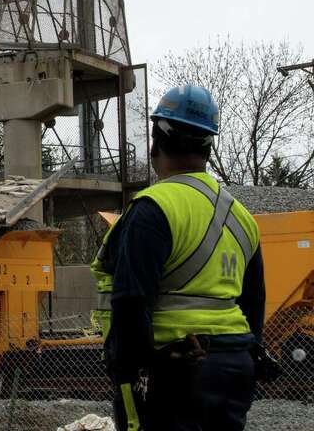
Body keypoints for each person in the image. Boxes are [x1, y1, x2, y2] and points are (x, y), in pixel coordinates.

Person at [92, 84, 271, 431]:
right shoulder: (241, 216)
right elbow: (253, 302)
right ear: (208, 145)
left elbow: (131, 301)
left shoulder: (153, 208)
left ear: (156, 140)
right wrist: (248, 353)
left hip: (171, 368)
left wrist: (132, 369)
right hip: (234, 365)